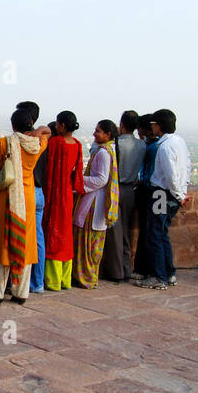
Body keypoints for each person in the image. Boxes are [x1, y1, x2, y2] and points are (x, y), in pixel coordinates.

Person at [0, 108, 51, 303]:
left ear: (13, 125)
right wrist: (36, 132)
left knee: (1, 244)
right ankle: (21, 292)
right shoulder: (36, 144)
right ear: (30, 124)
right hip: (27, 198)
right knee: (25, 242)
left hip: (7, 198)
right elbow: (48, 130)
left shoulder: (5, 143)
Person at [136, 108, 191, 290]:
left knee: (155, 234)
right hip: (172, 193)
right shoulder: (179, 142)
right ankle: (169, 273)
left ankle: (159, 276)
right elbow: (186, 168)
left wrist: (179, 195)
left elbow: (170, 175)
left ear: (158, 126)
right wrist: (181, 193)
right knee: (162, 233)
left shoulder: (165, 147)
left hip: (161, 194)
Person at [74, 120, 120, 288]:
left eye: (98, 131)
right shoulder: (108, 150)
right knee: (93, 244)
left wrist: (78, 179)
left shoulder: (103, 153)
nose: (95, 134)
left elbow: (101, 179)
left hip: (94, 201)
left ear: (108, 135)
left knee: (88, 242)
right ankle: (89, 276)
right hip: (98, 200)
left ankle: (85, 277)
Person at [41, 111, 83, 290]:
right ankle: (65, 279)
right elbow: (78, 173)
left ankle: (53, 280)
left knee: (52, 232)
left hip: (54, 191)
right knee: (65, 233)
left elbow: (49, 169)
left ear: (62, 126)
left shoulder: (56, 142)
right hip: (67, 191)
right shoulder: (78, 144)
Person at [101, 110, 144, 283]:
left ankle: (116, 272)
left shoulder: (116, 143)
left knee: (115, 233)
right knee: (125, 230)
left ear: (122, 125)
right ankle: (126, 267)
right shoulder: (141, 145)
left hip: (116, 188)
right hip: (130, 190)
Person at [15, 101, 48, 295]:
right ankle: (37, 282)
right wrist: (39, 131)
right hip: (39, 192)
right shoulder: (41, 140)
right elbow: (47, 130)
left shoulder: (21, 141)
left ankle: (21, 283)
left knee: (22, 238)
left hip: (25, 191)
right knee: (38, 239)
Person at [131, 112, 161, 281]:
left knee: (150, 231)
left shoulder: (150, 147)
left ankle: (146, 269)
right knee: (157, 230)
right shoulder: (159, 145)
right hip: (158, 193)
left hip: (149, 192)